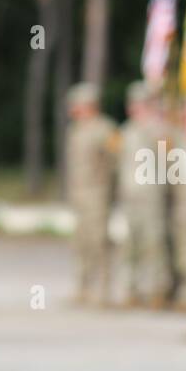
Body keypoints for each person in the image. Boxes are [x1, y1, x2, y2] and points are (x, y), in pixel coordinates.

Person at [116, 82, 172, 308]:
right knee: (130, 244)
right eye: (132, 103)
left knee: (153, 243)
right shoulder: (127, 130)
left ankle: (158, 290)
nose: (134, 107)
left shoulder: (159, 129)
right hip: (130, 195)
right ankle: (132, 289)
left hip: (151, 195)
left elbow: (170, 159)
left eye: (139, 103)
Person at [65, 83, 118, 306]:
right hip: (80, 194)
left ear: (89, 105)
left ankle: (104, 290)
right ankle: (83, 287)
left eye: (76, 104)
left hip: (98, 194)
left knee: (99, 242)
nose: (72, 109)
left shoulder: (105, 129)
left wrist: (109, 187)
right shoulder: (75, 130)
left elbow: (116, 160)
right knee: (81, 242)